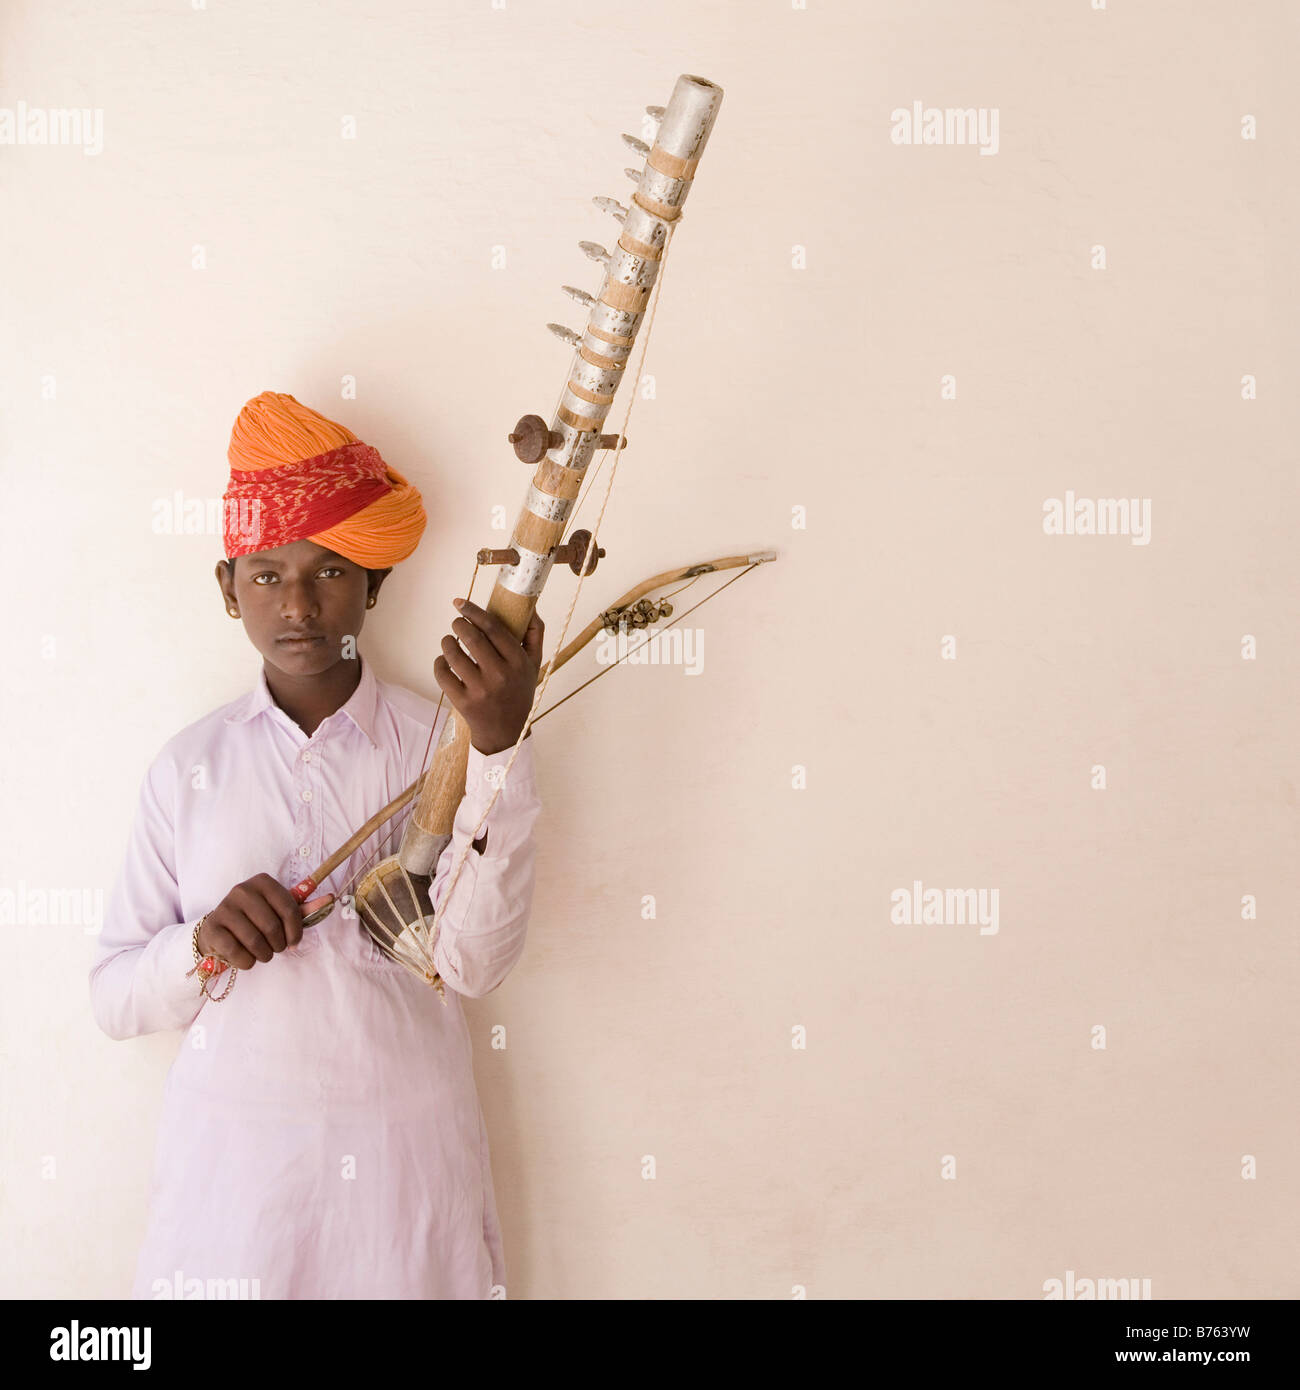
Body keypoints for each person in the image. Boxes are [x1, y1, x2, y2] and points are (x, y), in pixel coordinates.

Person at [89, 391, 544, 1299]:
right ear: (228, 590)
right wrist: (201, 946)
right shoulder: (188, 769)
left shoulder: (443, 742)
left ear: (374, 587)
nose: (297, 604)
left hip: (402, 1183)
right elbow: (113, 999)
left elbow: (472, 965)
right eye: (266, 576)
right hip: (236, 1197)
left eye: (331, 572)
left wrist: (498, 748)